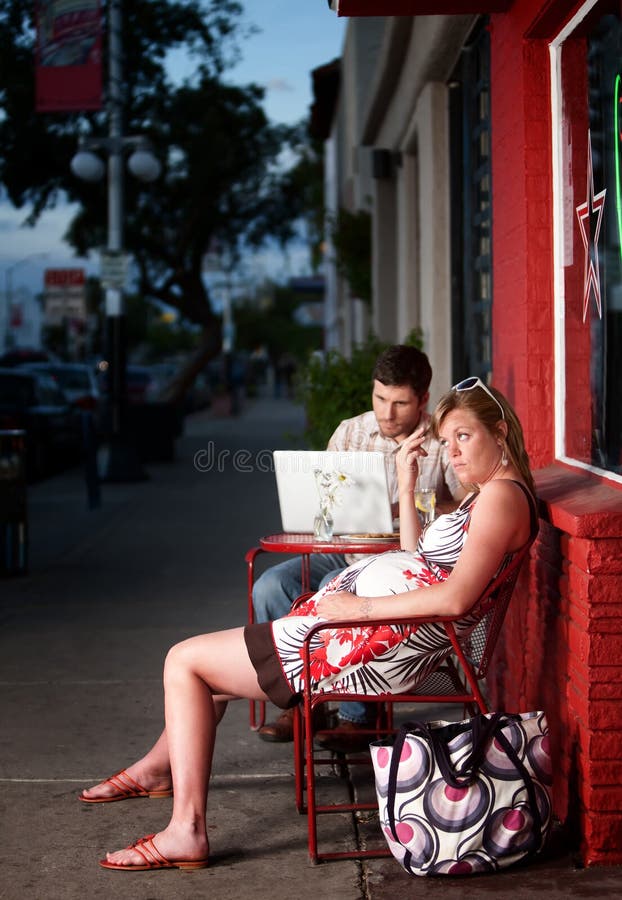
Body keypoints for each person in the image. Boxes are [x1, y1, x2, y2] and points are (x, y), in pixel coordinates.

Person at [81, 377, 538, 873]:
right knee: (208, 678)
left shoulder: (500, 498)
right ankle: (157, 770)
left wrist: (356, 610)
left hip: (368, 647)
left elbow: (454, 599)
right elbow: (417, 560)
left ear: (499, 431)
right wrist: (406, 487)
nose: (452, 453)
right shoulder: (487, 495)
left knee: (184, 662)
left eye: (463, 437)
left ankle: (186, 830)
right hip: (367, 637)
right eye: (446, 441)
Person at [255, 344, 464, 746]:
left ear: (423, 399)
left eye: (400, 403)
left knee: (335, 588)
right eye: (380, 398)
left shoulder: (442, 441)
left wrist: (418, 500)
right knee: (270, 586)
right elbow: (323, 501)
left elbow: (466, 504)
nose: (387, 413)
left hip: (396, 565)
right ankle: (302, 704)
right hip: (344, 550)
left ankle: (357, 715)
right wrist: (317, 510)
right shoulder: (351, 431)